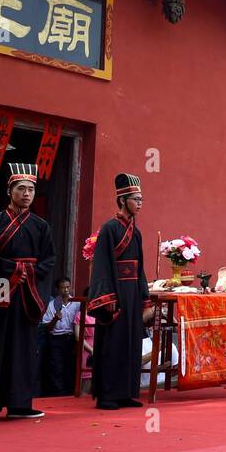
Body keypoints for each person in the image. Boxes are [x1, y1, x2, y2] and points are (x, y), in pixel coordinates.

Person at [0, 162, 56, 423]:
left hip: (28, 292)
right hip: (2, 288)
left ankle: (20, 403)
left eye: (31, 189)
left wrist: (27, 276)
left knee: (24, 347)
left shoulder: (41, 226)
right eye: (21, 188)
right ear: (10, 191)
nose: (27, 194)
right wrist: (13, 271)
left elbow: (48, 260)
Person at [86, 173, 150, 409]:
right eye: (136, 199)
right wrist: (107, 296)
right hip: (115, 292)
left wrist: (144, 295)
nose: (140, 204)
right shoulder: (110, 228)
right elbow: (102, 264)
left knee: (131, 341)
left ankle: (126, 392)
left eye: (142, 199)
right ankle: (108, 395)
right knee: (113, 342)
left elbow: (140, 266)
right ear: (123, 200)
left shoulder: (137, 231)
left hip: (132, 291)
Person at [41, 277, 81, 396]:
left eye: (68, 287)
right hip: (56, 339)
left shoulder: (77, 303)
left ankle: (70, 392)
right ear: (58, 289)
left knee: (71, 366)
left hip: (71, 339)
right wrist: (55, 319)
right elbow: (46, 327)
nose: (66, 290)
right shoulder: (52, 305)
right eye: (63, 287)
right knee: (56, 367)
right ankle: (58, 394)